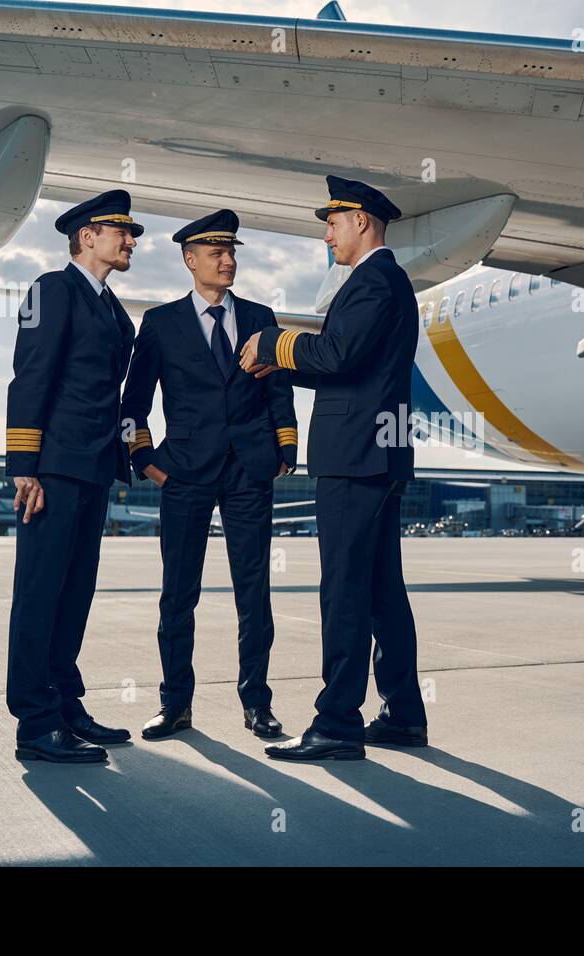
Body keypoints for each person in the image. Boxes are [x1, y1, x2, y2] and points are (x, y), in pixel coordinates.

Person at [240, 175, 427, 762]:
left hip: (356, 457)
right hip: (379, 454)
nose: (327, 233)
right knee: (380, 592)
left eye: (333, 221)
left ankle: (338, 724)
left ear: (361, 222)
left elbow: (338, 357)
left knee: (344, 591)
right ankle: (402, 714)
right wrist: (285, 362)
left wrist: (272, 345)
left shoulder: (373, 282)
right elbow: (341, 361)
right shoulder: (383, 282)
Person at [120, 210, 298, 742]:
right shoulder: (160, 323)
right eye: (216, 253)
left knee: (254, 592)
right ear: (189, 259)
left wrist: (284, 446)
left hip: (249, 472)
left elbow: (279, 391)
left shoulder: (263, 317)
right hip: (185, 475)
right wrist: (144, 459)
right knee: (178, 594)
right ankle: (175, 705)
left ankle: (257, 704)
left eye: (233, 252)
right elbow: (133, 402)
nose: (228, 261)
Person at [6, 190, 140, 763]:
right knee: (40, 592)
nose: (131, 241)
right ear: (89, 236)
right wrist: (24, 468)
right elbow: (29, 377)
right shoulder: (53, 290)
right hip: (53, 469)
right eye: (122, 233)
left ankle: (64, 704)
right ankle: (35, 723)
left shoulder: (112, 308)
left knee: (74, 592)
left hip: (92, 470)